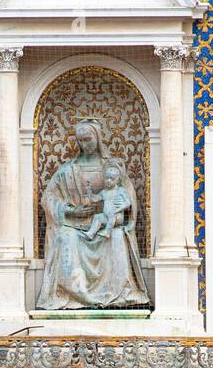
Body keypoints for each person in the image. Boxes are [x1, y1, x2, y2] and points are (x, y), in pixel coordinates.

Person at [36, 119, 149, 311]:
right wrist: (69, 210)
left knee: (117, 236)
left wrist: (126, 205)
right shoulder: (67, 170)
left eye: (88, 139)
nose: (84, 144)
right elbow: (49, 197)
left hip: (107, 224)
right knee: (66, 236)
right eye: (80, 141)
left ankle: (119, 292)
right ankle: (76, 293)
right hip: (75, 225)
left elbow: (126, 190)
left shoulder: (112, 167)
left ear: (97, 138)